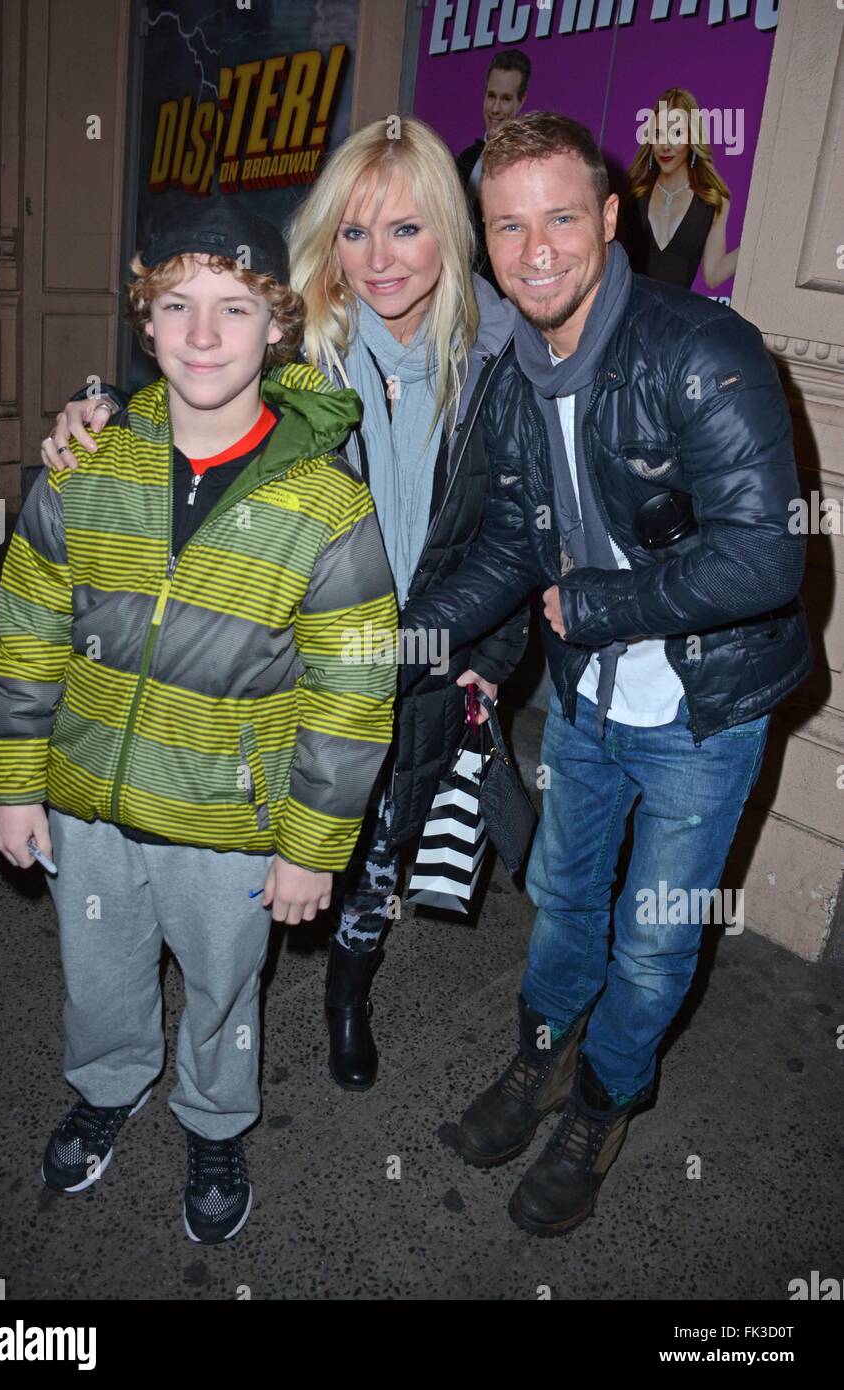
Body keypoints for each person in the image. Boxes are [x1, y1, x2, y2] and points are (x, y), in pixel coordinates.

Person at [39, 118, 529, 1094]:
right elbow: (184, 385)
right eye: (353, 233)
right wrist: (95, 407)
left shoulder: (501, 353)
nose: (378, 260)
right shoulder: (299, 338)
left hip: (425, 644)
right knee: (280, 838)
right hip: (287, 643)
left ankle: (348, 992)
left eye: (404, 230)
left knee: (383, 837)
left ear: (448, 229)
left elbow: (516, 526)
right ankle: (202, 1031)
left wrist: (482, 644)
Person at [401, 110, 812, 1236]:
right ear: (483, 239)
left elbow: (764, 553)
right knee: (560, 909)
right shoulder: (511, 375)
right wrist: (394, 646)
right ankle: (537, 1059)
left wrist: (595, 603)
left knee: (651, 940)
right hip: (584, 700)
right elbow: (499, 546)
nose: (535, 251)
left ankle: (601, 1100)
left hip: (702, 708)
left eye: (561, 219)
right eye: (507, 226)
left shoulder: (701, 350)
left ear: (611, 219)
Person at [0, 199, 399, 1243]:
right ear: (146, 321)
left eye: (233, 308)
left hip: (229, 818)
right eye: (177, 305)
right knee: (98, 972)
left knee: (223, 986)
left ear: (276, 326)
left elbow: (351, 691)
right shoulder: (85, 465)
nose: (203, 335)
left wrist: (310, 845)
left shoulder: (324, 502)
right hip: (94, 805)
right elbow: (28, 630)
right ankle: (106, 1084)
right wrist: (13, 779)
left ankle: (215, 1119)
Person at [621, 87, 739, 292]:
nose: (666, 146)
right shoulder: (633, 196)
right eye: (659, 134)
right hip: (627, 315)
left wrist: (757, 242)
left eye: (677, 133)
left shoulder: (713, 202)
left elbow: (713, 276)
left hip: (672, 319)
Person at [455, 49, 532, 288]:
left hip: (498, 292)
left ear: (521, 101)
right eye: (491, 96)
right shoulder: (467, 158)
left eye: (506, 99)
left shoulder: (527, 165)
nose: (495, 108)